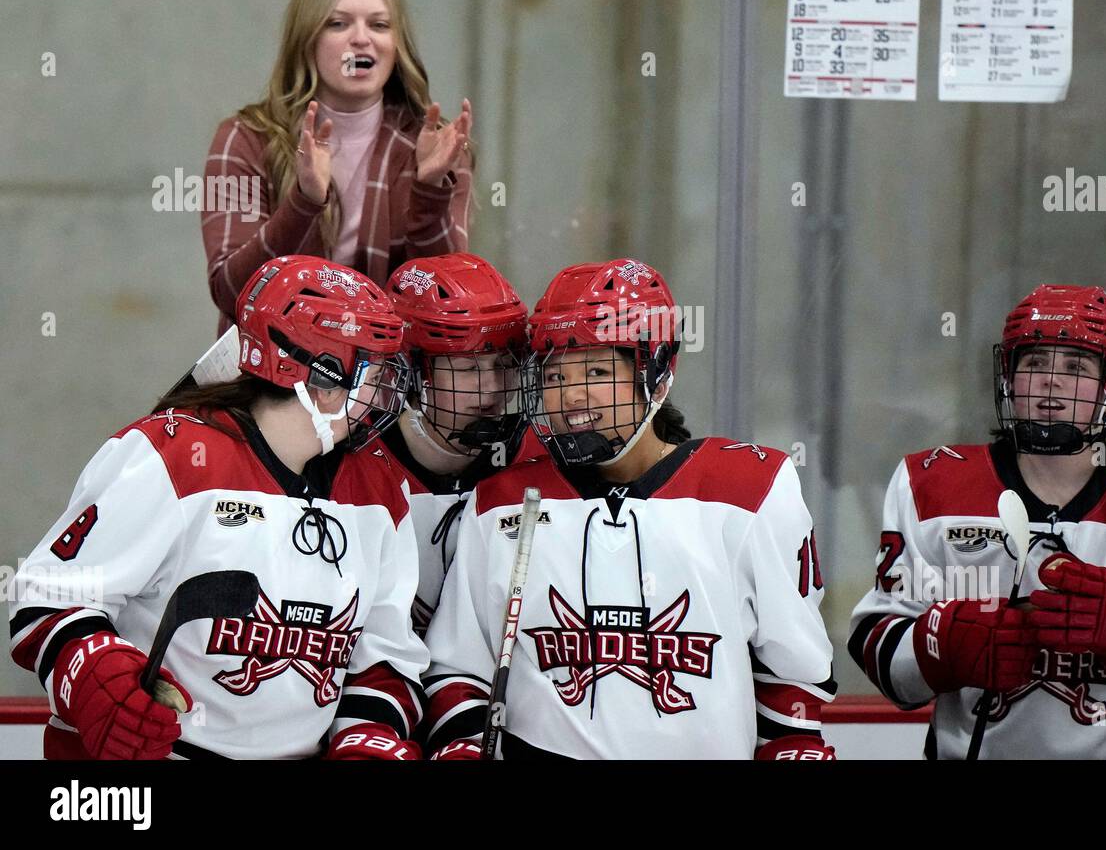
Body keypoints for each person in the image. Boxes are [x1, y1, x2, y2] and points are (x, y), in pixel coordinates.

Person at [9, 255, 429, 759]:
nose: (382, 397)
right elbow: (45, 597)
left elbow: (385, 659)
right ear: (314, 374)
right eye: (372, 371)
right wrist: (96, 674)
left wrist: (367, 737)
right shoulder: (172, 455)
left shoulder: (378, 489)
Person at [423, 258, 837, 760]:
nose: (571, 396)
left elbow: (793, 673)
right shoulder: (503, 501)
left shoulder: (750, 490)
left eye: (596, 370)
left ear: (658, 374)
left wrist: (794, 746)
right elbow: (459, 669)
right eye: (554, 377)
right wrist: (461, 747)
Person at [848, 284, 1106, 759]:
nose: (1051, 381)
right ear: (1008, 377)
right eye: (1035, 363)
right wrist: (942, 643)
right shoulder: (929, 483)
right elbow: (882, 653)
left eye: (1076, 366)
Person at [201, 0, 473, 334]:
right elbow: (230, 292)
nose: (361, 38)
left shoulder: (435, 145)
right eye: (338, 23)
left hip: (388, 378)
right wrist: (304, 202)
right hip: (272, 377)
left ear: (396, 47)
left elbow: (445, 305)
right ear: (307, 41)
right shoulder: (244, 137)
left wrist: (429, 193)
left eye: (379, 25)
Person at [378, 253, 537, 637]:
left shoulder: (540, 457)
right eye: (467, 369)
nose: (493, 389)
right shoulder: (360, 467)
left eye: (505, 365)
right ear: (411, 372)